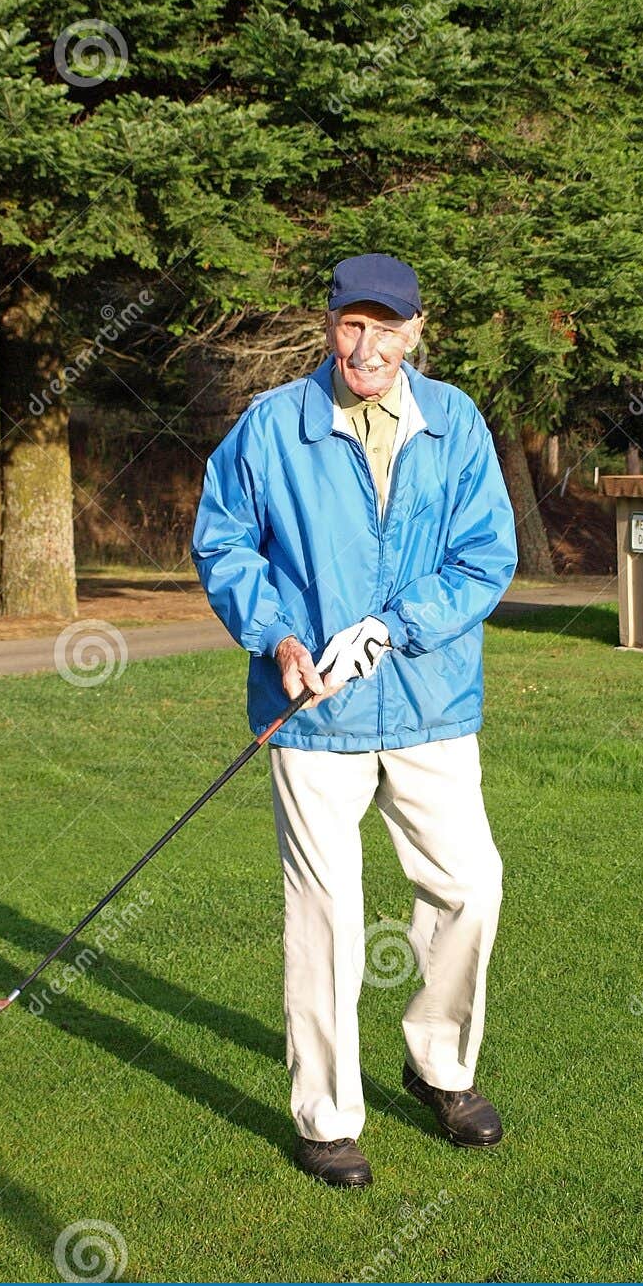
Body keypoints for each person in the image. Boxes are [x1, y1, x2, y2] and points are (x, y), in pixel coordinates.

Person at [191, 252, 519, 1188]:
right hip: (310, 715)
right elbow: (222, 542)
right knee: (326, 916)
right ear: (329, 326)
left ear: (417, 331)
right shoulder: (270, 428)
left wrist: (394, 625)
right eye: (350, 324)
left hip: (429, 703)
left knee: (470, 887)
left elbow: (485, 558)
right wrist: (278, 637)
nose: (366, 344)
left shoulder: (455, 423)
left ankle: (439, 1066)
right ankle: (328, 1119)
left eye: (386, 325)